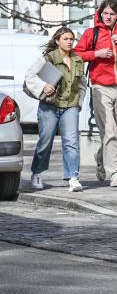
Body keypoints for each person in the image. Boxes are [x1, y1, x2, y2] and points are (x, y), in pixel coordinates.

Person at [25, 27, 87, 192]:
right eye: (66, 39)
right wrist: (43, 86)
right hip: (49, 106)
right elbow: (30, 75)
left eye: (71, 39)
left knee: (72, 142)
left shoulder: (78, 60)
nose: (69, 42)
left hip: (70, 106)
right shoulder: (49, 58)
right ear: (58, 40)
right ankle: (37, 173)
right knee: (45, 141)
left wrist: (79, 102)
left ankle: (73, 177)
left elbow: (82, 84)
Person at [78, 0, 117, 184]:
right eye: (106, 13)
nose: (108, 17)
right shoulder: (91, 33)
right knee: (109, 131)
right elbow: (76, 54)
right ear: (101, 14)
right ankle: (113, 172)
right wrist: (96, 54)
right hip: (101, 87)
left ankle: (102, 159)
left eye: (112, 14)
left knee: (113, 133)